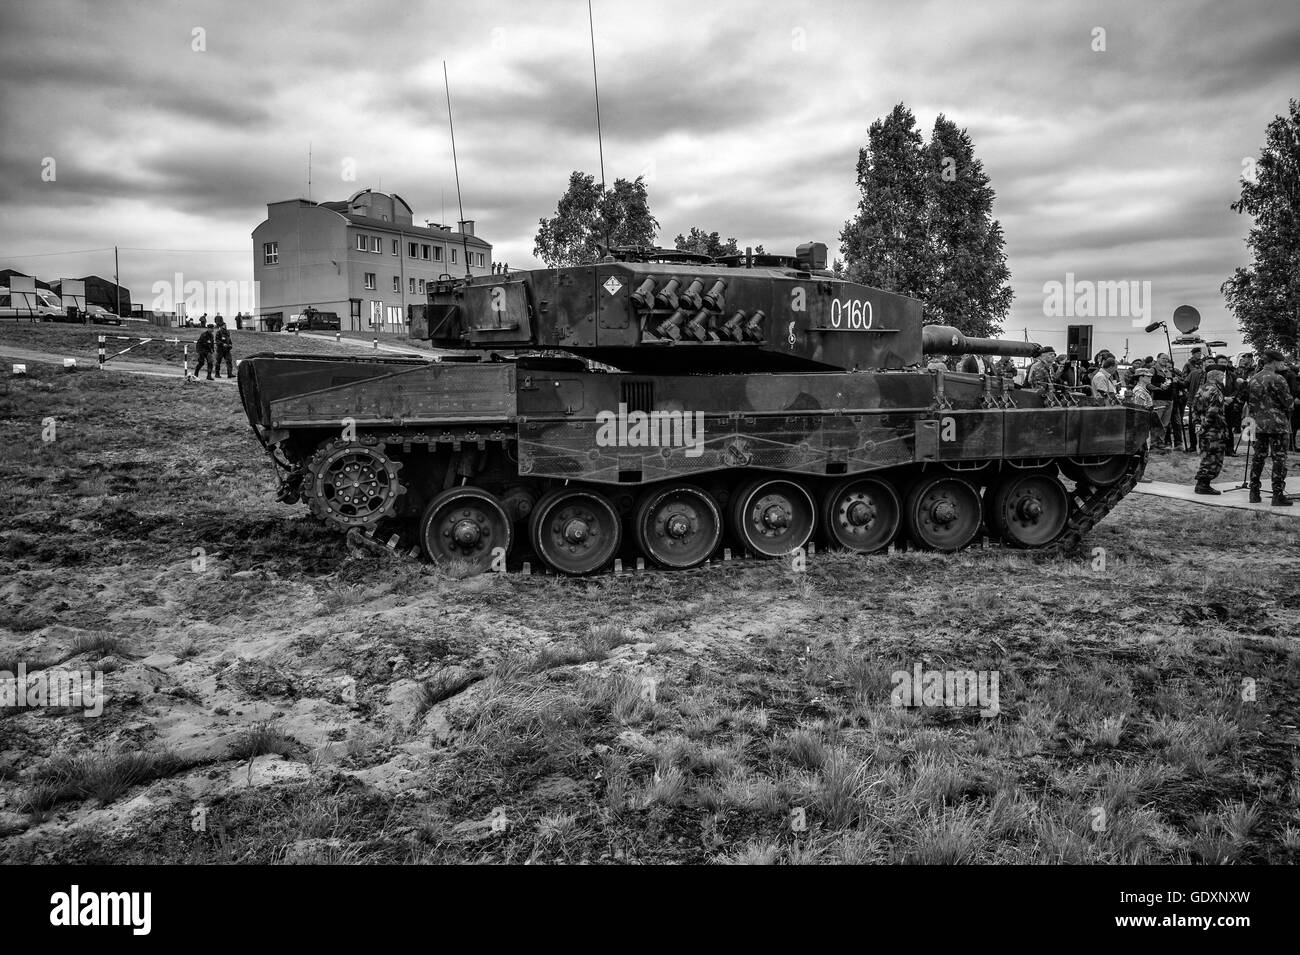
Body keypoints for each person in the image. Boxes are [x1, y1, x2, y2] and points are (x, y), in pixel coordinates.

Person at [1245, 349, 1295, 506]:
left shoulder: (1253, 378)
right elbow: (1289, 403)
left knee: (1258, 458)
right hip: (1276, 425)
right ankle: (1277, 495)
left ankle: (1254, 493)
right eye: (1281, 362)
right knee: (1279, 458)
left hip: (1257, 424)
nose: (1283, 365)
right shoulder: (1278, 379)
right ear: (1274, 362)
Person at [1191, 368, 1228, 494]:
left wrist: (1197, 424)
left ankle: (1202, 483)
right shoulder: (1216, 391)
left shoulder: (1201, 389)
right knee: (1214, 457)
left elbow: (1194, 408)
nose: (1223, 379)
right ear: (1216, 377)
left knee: (1206, 455)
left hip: (1203, 426)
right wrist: (1205, 426)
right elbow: (1213, 411)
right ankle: (1203, 484)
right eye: (1221, 376)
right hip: (1214, 429)